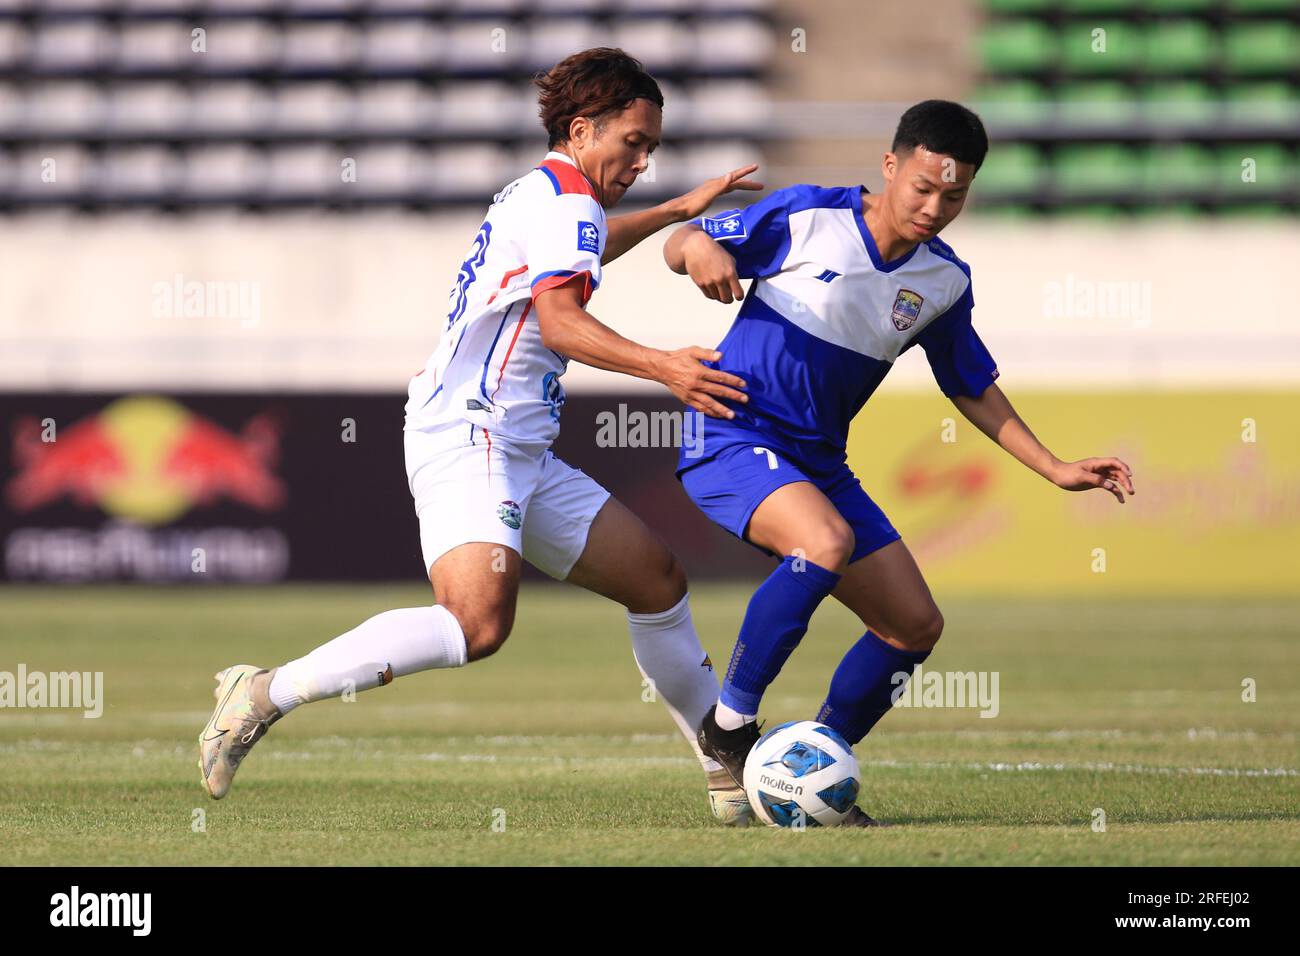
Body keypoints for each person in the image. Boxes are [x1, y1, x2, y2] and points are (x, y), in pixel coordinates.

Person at [199, 47, 764, 825]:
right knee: (475, 624)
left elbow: (582, 249)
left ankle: (727, 776)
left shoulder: (548, 192)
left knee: (656, 581)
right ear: (582, 127)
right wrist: (665, 366)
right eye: (633, 142)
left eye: (653, 148)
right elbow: (562, 323)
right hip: (476, 429)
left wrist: (670, 213)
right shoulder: (566, 203)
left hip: (512, 440)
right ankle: (262, 692)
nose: (643, 159)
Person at [662, 99, 1136, 826]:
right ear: (890, 166)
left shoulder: (943, 282)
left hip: (818, 461)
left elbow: (969, 383)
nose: (936, 206)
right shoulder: (809, 216)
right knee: (823, 544)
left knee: (913, 626)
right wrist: (697, 248)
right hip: (729, 433)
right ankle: (729, 728)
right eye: (923, 186)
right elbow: (684, 242)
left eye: (956, 195)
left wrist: (1054, 467)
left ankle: (804, 776)